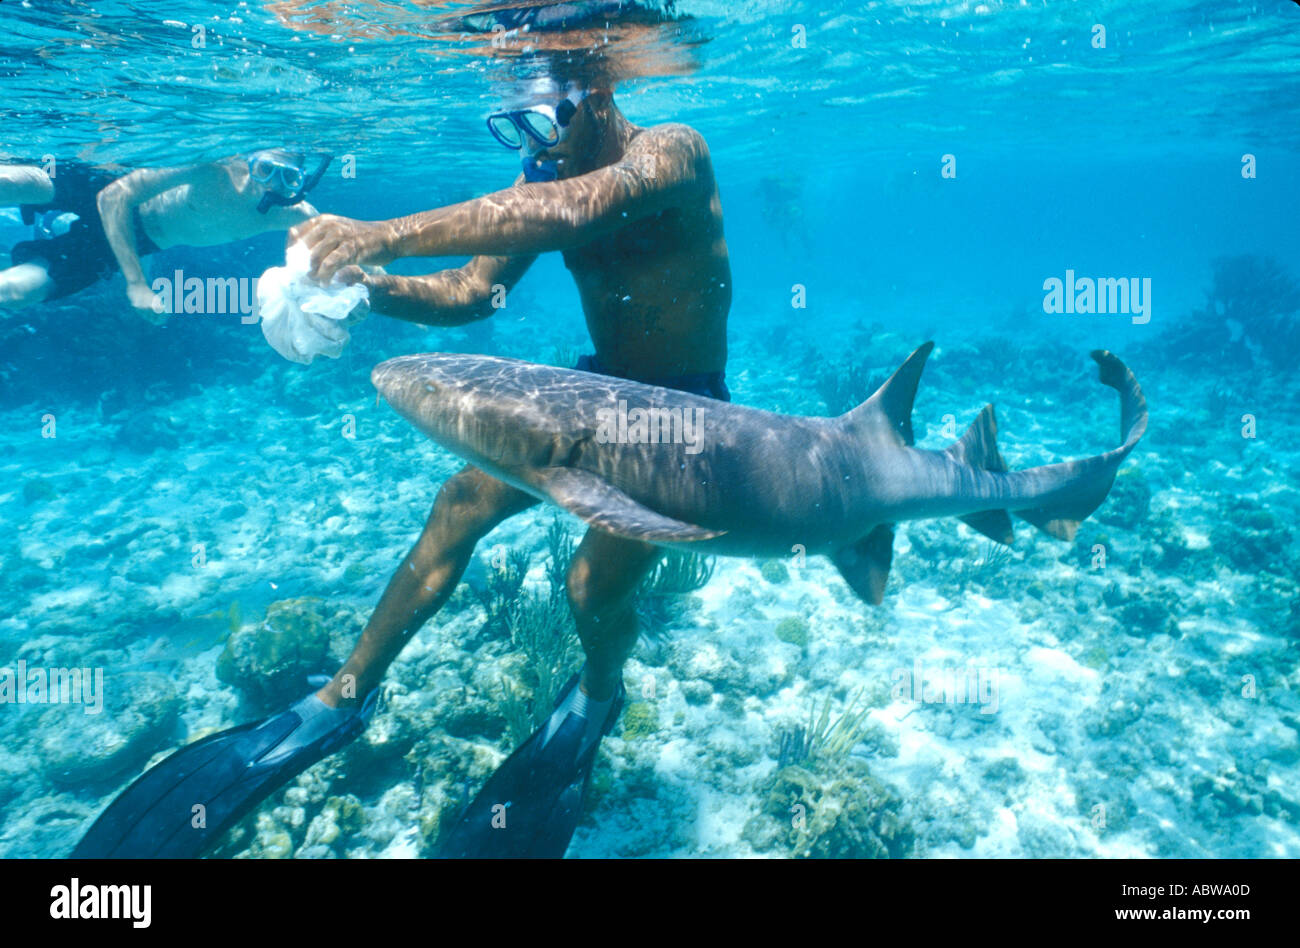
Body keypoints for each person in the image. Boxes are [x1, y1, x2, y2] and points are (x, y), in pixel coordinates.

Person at [73, 69, 732, 859]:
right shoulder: (546, 170)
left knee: (592, 586)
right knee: (461, 501)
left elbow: (574, 211)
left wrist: (384, 232)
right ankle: (340, 698)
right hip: (595, 383)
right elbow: (470, 291)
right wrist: (364, 288)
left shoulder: (673, 152)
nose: (532, 150)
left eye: (540, 126)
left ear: (595, 95)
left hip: (681, 414)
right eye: (512, 129)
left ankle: (596, 698)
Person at [0, 149, 327, 318]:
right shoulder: (213, 171)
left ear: (301, 183)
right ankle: (42, 213)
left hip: (133, 242)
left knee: (13, 294)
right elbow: (113, 196)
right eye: (265, 170)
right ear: (250, 160)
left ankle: (50, 228)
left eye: (288, 179)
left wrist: (354, 292)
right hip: (107, 187)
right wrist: (137, 284)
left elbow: (342, 248)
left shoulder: (293, 213)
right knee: (14, 184)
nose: (270, 186)